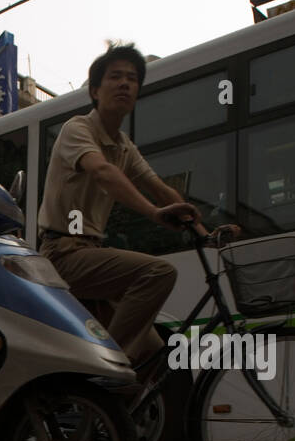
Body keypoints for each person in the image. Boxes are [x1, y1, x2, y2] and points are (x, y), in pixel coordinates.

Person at [36, 42, 237, 385]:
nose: (125, 84)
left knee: (155, 358)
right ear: (95, 91)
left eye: (132, 78)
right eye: (115, 77)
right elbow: (102, 172)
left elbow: (159, 187)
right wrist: (155, 213)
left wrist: (205, 234)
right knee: (158, 273)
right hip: (61, 255)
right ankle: (106, 370)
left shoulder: (125, 146)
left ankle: (105, 421)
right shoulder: (78, 129)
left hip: (90, 255)